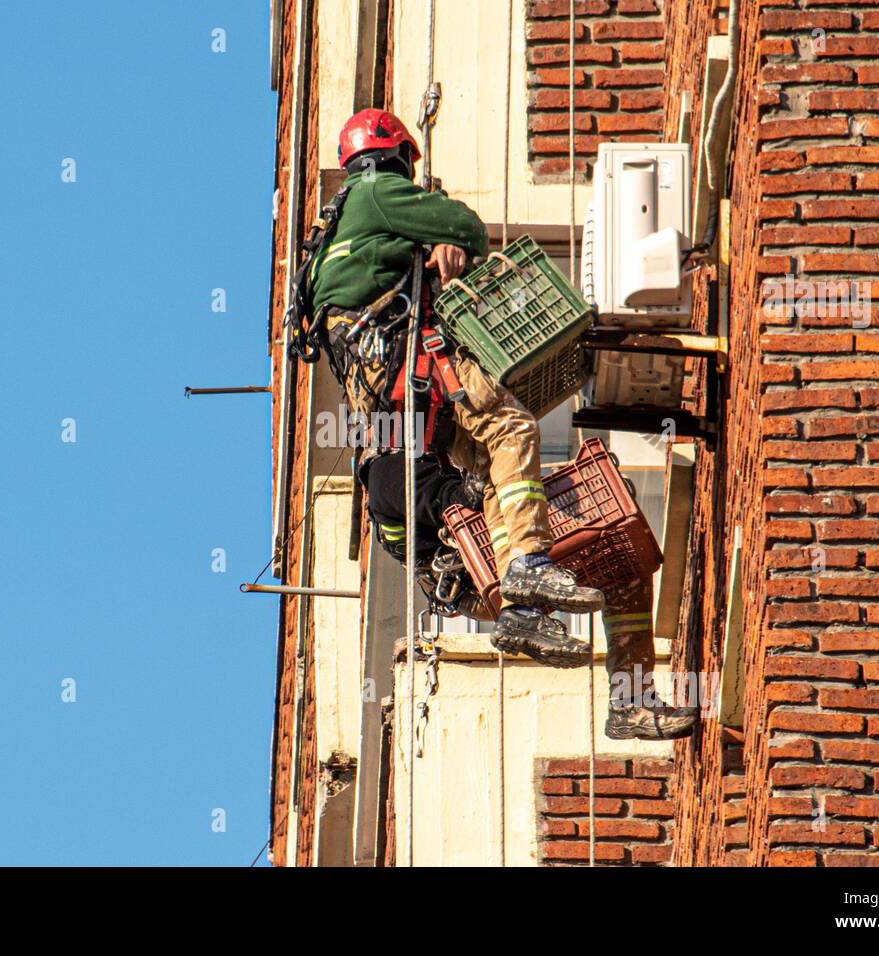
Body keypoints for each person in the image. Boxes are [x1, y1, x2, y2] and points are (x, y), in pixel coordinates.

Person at [300, 109, 699, 735]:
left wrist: (425, 257)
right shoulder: (377, 193)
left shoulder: (331, 249)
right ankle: (529, 571)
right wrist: (444, 241)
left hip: (408, 400)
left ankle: (620, 693)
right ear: (393, 158)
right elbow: (465, 226)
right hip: (423, 378)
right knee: (513, 433)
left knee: (606, 554)